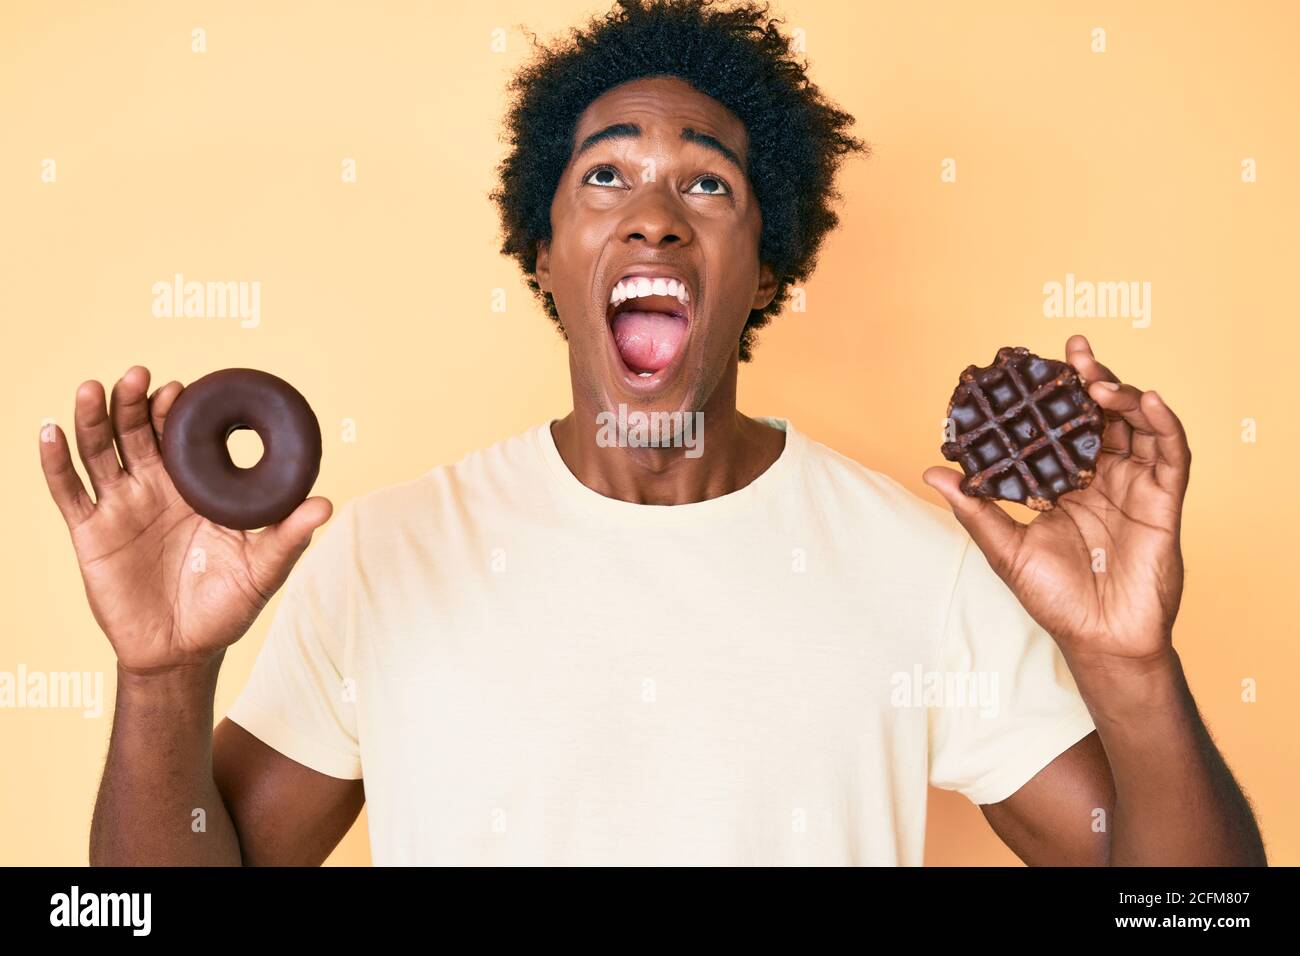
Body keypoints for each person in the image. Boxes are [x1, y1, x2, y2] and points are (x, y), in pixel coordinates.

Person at [41, 0, 1264, 866]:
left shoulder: (922, 564)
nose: (656, 217)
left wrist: (1128, 669)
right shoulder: (383, 556)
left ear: (763, 261)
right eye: (606, 178)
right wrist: (162, 679)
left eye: (709, 184)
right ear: (547, 255)